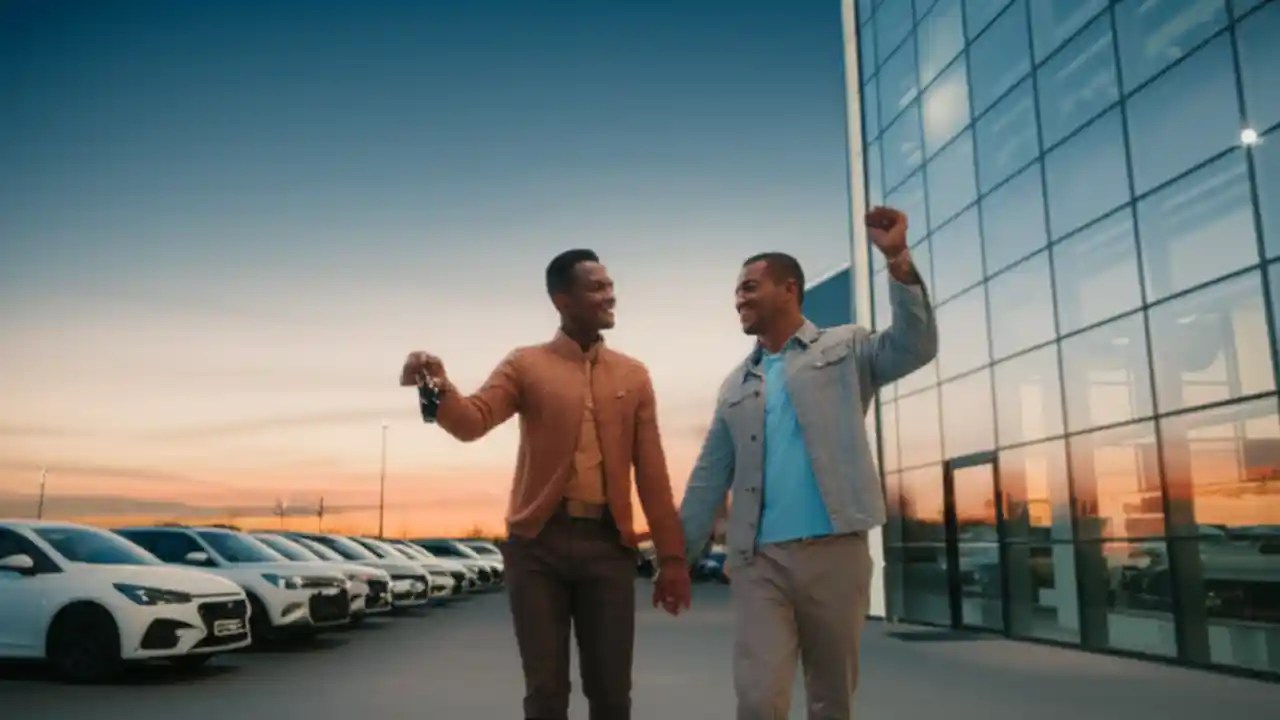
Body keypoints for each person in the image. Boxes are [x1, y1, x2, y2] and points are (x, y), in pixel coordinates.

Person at [668, 206, 937, 719]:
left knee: (830, 698)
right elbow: (708, 476)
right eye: (737, 291)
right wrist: (677, 556)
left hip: (835, 552)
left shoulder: (846, 347)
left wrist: (898, 259)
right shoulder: (735, 384)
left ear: (788, 288)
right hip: (758, 562)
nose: (738, 299)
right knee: (758, 697)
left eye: (749, 287)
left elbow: (916, 346)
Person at [399, 249, 692, 720]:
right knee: (546, 693)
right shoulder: (526, 364)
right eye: (596, 287)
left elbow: (653, 475)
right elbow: (473, 421)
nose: (610, 294)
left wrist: (673, 558)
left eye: (609, 284)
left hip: (608, 547)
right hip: (537, 547)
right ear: (562, 299)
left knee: (612, 694)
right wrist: (435, 384)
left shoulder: (633, 375)